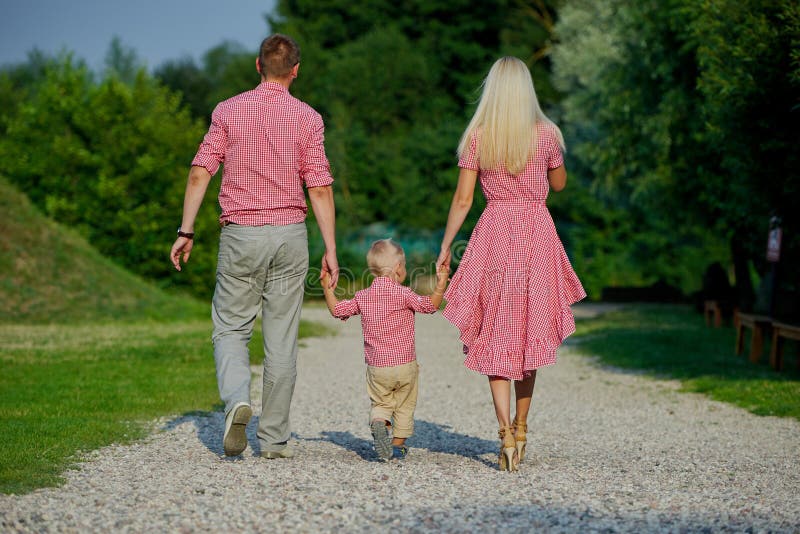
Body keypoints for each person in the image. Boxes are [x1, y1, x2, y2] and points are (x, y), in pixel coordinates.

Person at [169, 34, 338, 459]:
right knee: (282, 337)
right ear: (295, 70)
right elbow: (319, 187)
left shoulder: (227, 111)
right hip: (290, 235)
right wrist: (331, 248)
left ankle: (238, 400)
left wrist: (186, 230)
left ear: (257, 65)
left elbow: (199, 172)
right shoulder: (308, 118)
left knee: (230, 327)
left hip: (241, 234)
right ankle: (275, 439)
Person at [436, 57, 586, 471]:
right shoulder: (546, 135)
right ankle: (521, 427)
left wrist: (447, 244)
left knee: (495, 333)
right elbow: (558, 184)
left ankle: (503, 433)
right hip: (537, 234)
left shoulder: (478, 137)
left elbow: (464, 199)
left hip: (495, 235)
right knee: (528, 333)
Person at [321, 239, 449, 460]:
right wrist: (441, 284)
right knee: (405, 405)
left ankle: (380, 422)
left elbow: (337, 310)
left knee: (381, 403)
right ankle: (397, 446)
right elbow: (430, 306)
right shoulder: (405, 294)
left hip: (377, 366)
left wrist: (326, 288)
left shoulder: (363, 296)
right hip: (405, 364)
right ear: (399, 268)